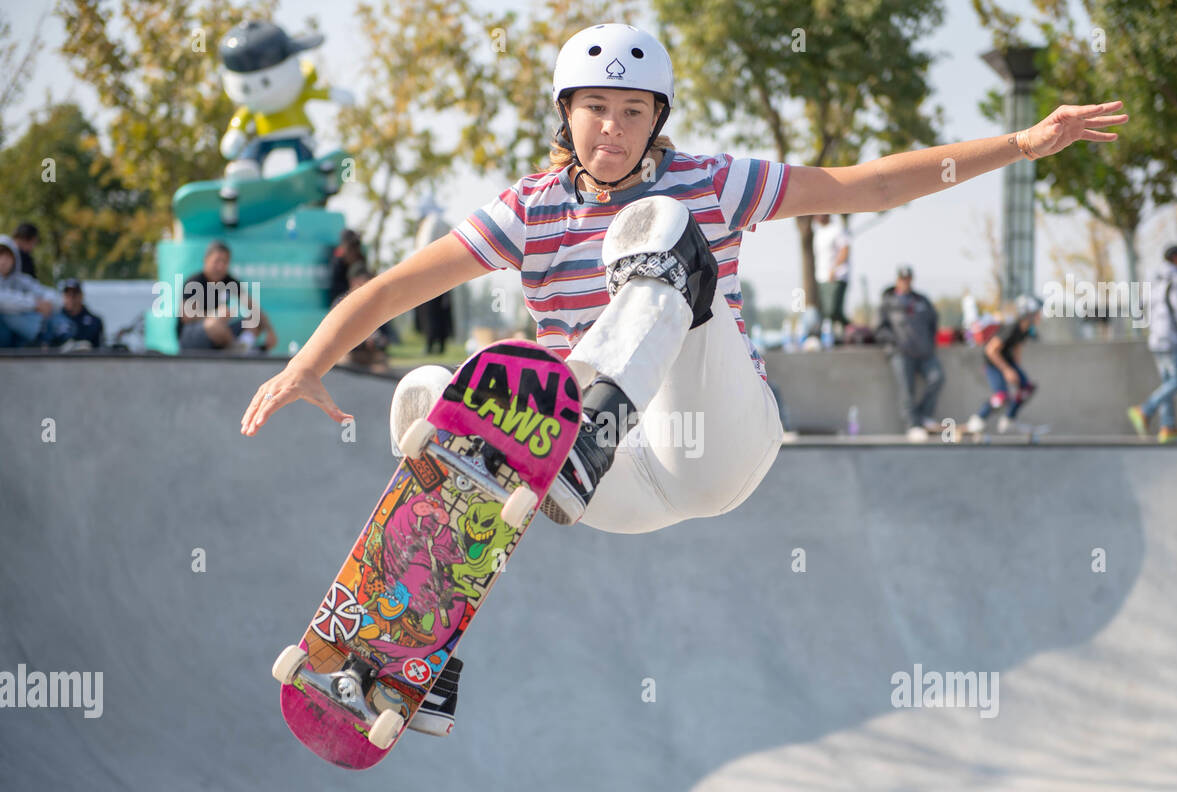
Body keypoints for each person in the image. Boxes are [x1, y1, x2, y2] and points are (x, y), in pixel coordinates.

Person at [241, 21, 1128, 735]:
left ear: (657, 118)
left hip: (715, 442)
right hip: (614, 491)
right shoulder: (530, 209)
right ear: (566, 112)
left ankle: (594, 418)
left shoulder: (717, 181)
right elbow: (396, 286)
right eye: (596, 109)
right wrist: (304, 364)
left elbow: (866, 189)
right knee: (442, 388)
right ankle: (412, 649)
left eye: (634, 111)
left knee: (663, 225)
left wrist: (1019, 142)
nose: (613, 130)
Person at [1128, 245, 1177, 443]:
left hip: (1156, 337)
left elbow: (1141, 306)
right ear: (1175, 258)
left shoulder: (1153, 277)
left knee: (1167, 382)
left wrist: (1152, 327)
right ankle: (1145, 409)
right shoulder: (1176, 279)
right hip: (1172, 338)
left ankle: (1167, 427)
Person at [877, 265, 943, 441]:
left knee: (937, 377)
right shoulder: (888, 302)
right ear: (897, 280)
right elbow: (881, 329)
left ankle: (924, 417)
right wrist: (894, 344)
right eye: (902, 279)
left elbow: (933, 322)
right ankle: (912, 425)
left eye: (908, 279)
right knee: (907, 390)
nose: (905, 283)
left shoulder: (921, 300)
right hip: (901, 352)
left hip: (924, 350)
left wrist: (929, 342)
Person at [177, 240, 277, 351]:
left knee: (255, 319)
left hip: (221, 334)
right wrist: (214, 315)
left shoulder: (229, 281)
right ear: (206, 260)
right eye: (217, 261)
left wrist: (270, 331)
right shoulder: (194, 282)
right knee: (213, 324)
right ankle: (236, 351)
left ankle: (239, 349)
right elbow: (186, 316)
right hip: (193, 336)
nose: (220, 266)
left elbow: (252, 307)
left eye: (225, 262)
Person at [966, 294, 1042, 435]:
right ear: (1028, 313)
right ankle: (977, 420)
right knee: (1001, 397)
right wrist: (1007, 371)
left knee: (1026, 389)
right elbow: (991, 350)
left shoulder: (1025, 329)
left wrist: (1017, 371)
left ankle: (1008, 420)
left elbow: (1017, 349)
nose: (1040, 316)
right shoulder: (1011, 327)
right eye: (1037, 313)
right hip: (994, 362)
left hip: (1007, 361)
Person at [0, 235, 58, 347]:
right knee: (7, 314)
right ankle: (45, 335)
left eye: (7, 256)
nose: (3, 261)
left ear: (15, 259)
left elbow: (50, 294)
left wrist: (46, 304)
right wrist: (35, 304)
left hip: (17, 337)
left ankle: (56, 334)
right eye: (0, 255)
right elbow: (3, 301)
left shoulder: (21, 279)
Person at [39, 279, 104, 350]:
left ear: (81, 296)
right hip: (59, 359)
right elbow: (45, 348)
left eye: (74, 294)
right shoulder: (52, 320)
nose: (71, 298)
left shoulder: (95, 321)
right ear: (63, 296)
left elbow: (99, 349)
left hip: (87, 360)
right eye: (68, 294)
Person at [813, 213, 851, 335]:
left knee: (833, 310)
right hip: (822, 277)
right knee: (826, 312)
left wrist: (834, 269)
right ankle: (835, 335)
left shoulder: (837, 229)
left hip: (837, 277)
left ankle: (851, 328)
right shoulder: (818, 233)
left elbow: (845, 251)